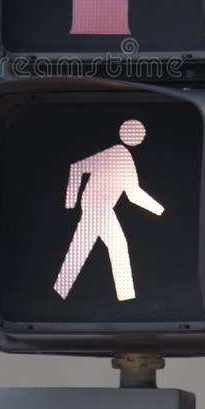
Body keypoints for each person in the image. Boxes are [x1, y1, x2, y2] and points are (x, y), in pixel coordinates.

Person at [53, 119, 164, 301]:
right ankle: (126, 298)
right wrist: (70, 202)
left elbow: (133, 193)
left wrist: (159, 210)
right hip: (98, 207)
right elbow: (77, 167)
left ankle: (60, 291)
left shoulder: (123, 156)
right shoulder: (117, 153)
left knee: (82, 249)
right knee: (116, 245)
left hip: (99, 208)